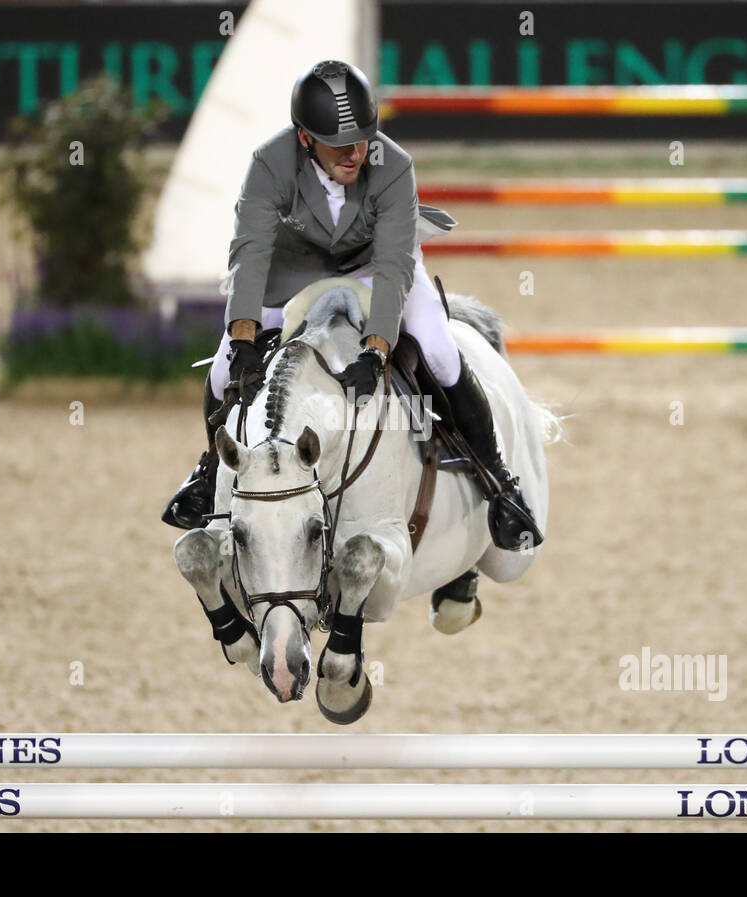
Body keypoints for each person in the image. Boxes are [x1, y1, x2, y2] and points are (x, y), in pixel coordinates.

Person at [162, 60, 542, 551]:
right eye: (339, 144)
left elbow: (393, 266)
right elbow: (251, 252)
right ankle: (207, 470)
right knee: (220, 373)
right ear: (304, 138)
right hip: (295, 270)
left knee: (441, 353)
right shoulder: (269, 162)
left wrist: (375, 350)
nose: (356, 153)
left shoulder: (394, 165)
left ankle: (498, 481)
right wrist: (242, 338)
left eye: (363, 138)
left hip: (376, 264)